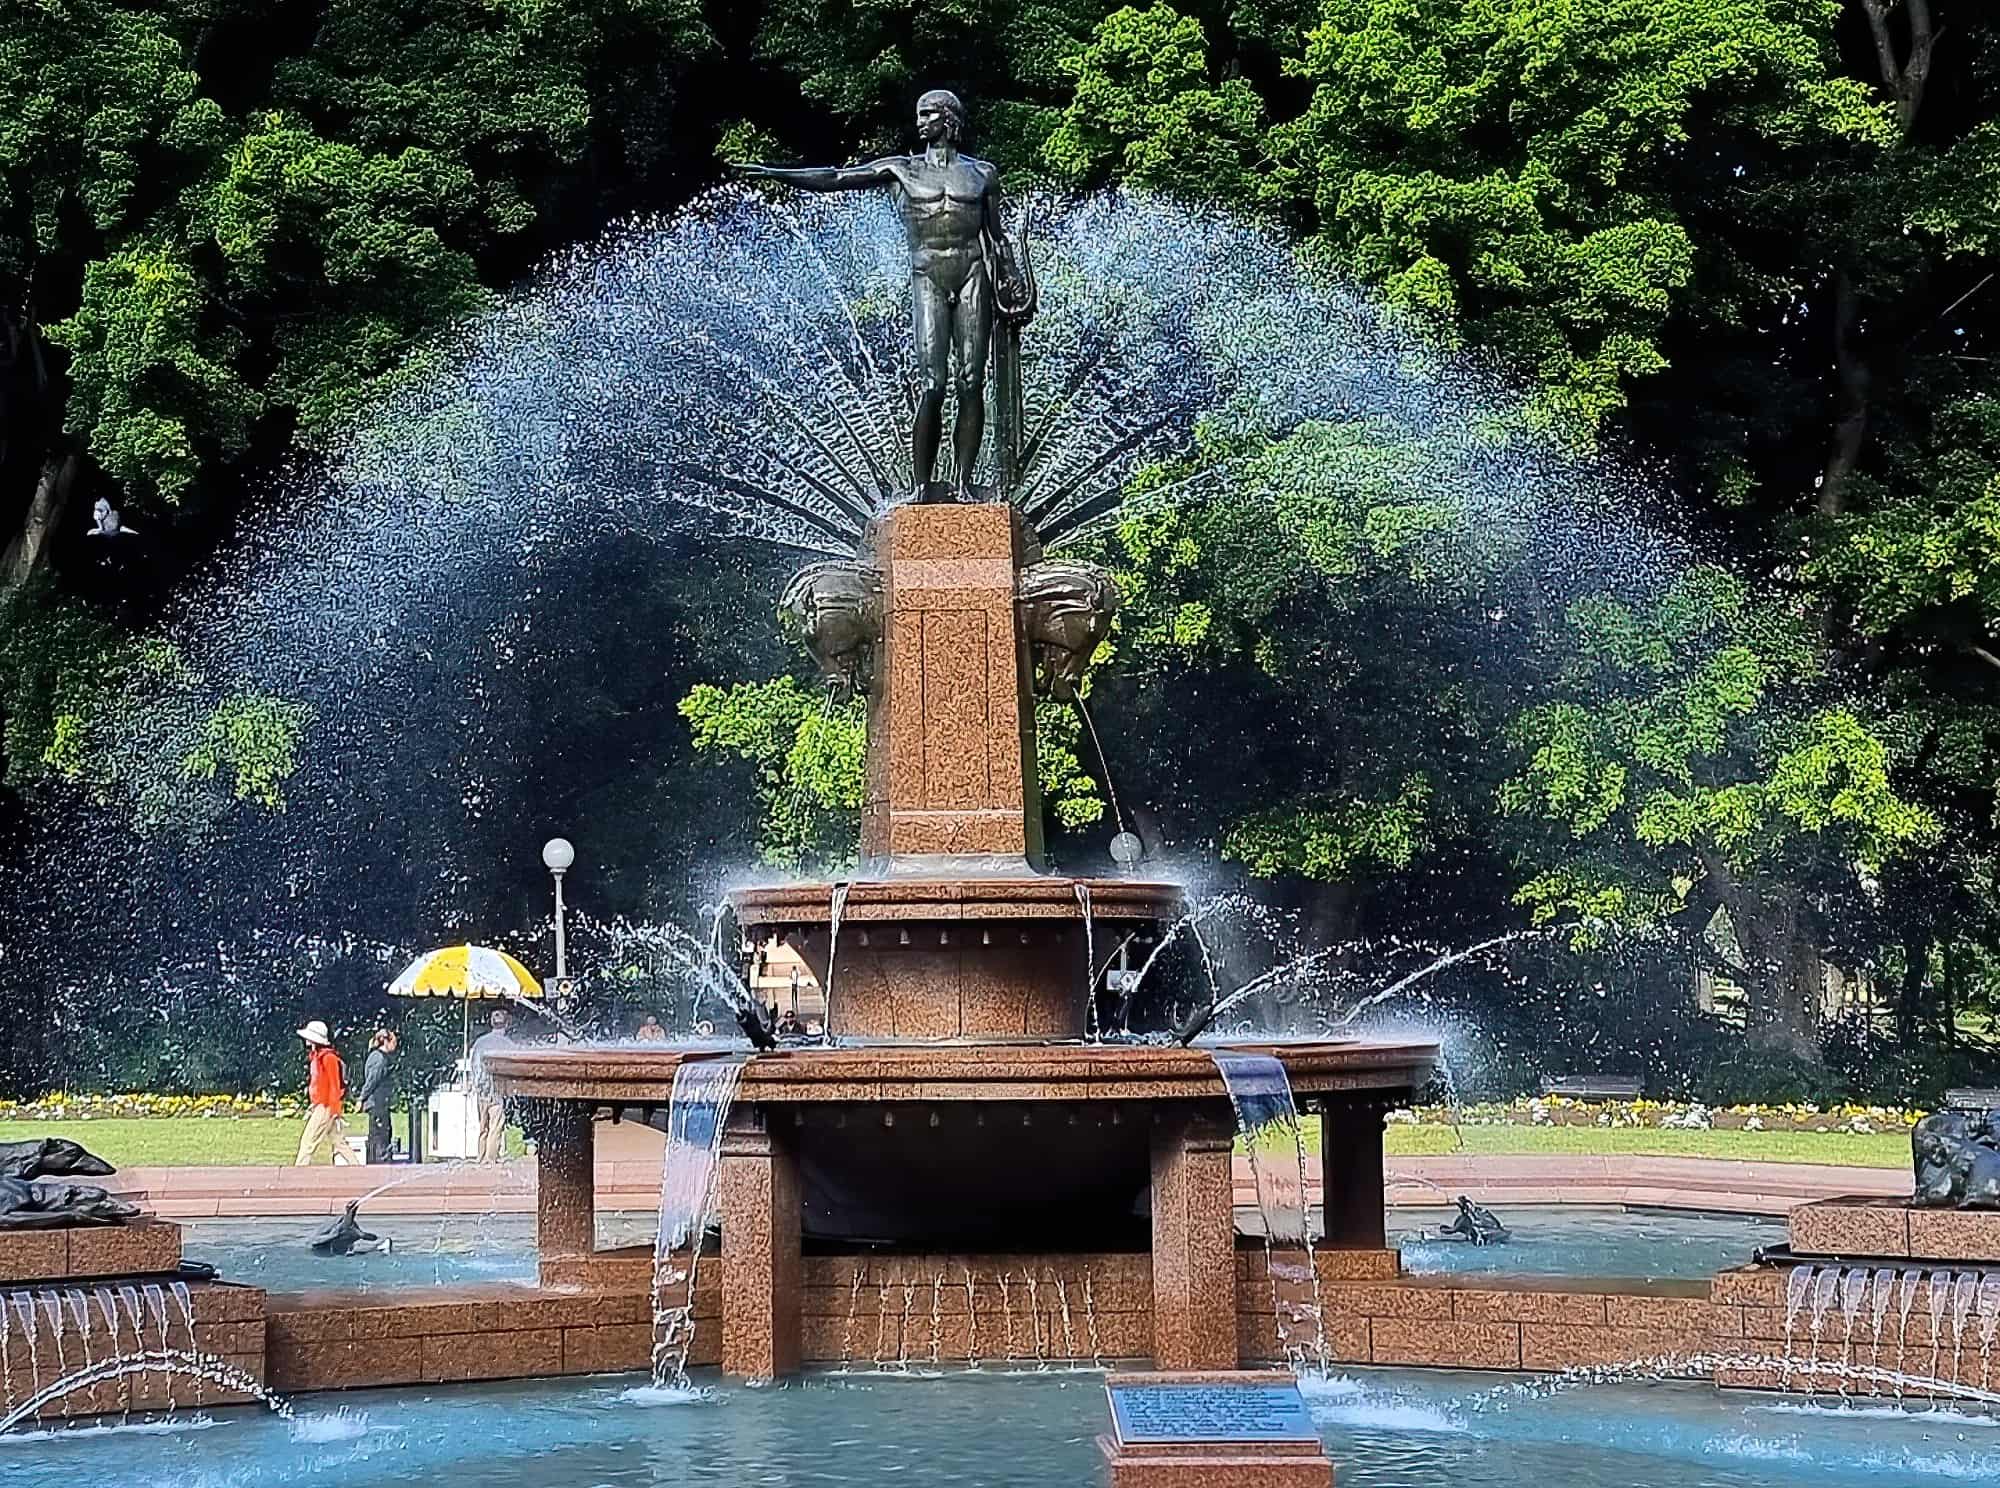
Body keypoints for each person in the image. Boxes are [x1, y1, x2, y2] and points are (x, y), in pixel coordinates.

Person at [738, 89, 1034, 500]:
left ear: (947, 120)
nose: (919, 122)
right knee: (933, 382)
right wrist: (778, 173)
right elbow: (837, 179)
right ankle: (923, 485)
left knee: (971, 382)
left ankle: (965, 483)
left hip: (972, 276)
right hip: (928, 276)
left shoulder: (982, 174)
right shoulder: (901, 170)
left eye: (927, 114)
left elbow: (996, 238)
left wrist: (1014, 276)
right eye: (918, 115)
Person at [295, 1021, 361, 1166]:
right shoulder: (318, 1056)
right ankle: (357, 1167)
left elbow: (334, 1085)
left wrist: (334, 1109)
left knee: (308, 1142)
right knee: (338, 1141)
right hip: (323, 1105)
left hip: (326, 1107)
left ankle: (298, 1172)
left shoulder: (328, 1058)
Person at [468, 1008, 514, 1164]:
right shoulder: (509, 1045)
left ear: (491, 1023)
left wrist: (474, 1084)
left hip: (481, 1090)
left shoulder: (479, 1042)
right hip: (498, 1090)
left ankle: (480, 1156)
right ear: (507, 1024)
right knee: (496, 1125)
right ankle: (491, 1158)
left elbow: (473, 1066)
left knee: (483, 1125)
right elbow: (512, 1069)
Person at [358, 1028, 398, 1165]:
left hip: (378, 1102)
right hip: (377, 1102)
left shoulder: (376, 1056)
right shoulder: (379, 1058)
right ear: (386, 1041)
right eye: (393, 1041)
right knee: (381, 1135)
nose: (395, 1045)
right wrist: (362, 1098)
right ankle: (381, 1163)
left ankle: (375, 1162)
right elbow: (372, 1081)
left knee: (377, 1134)